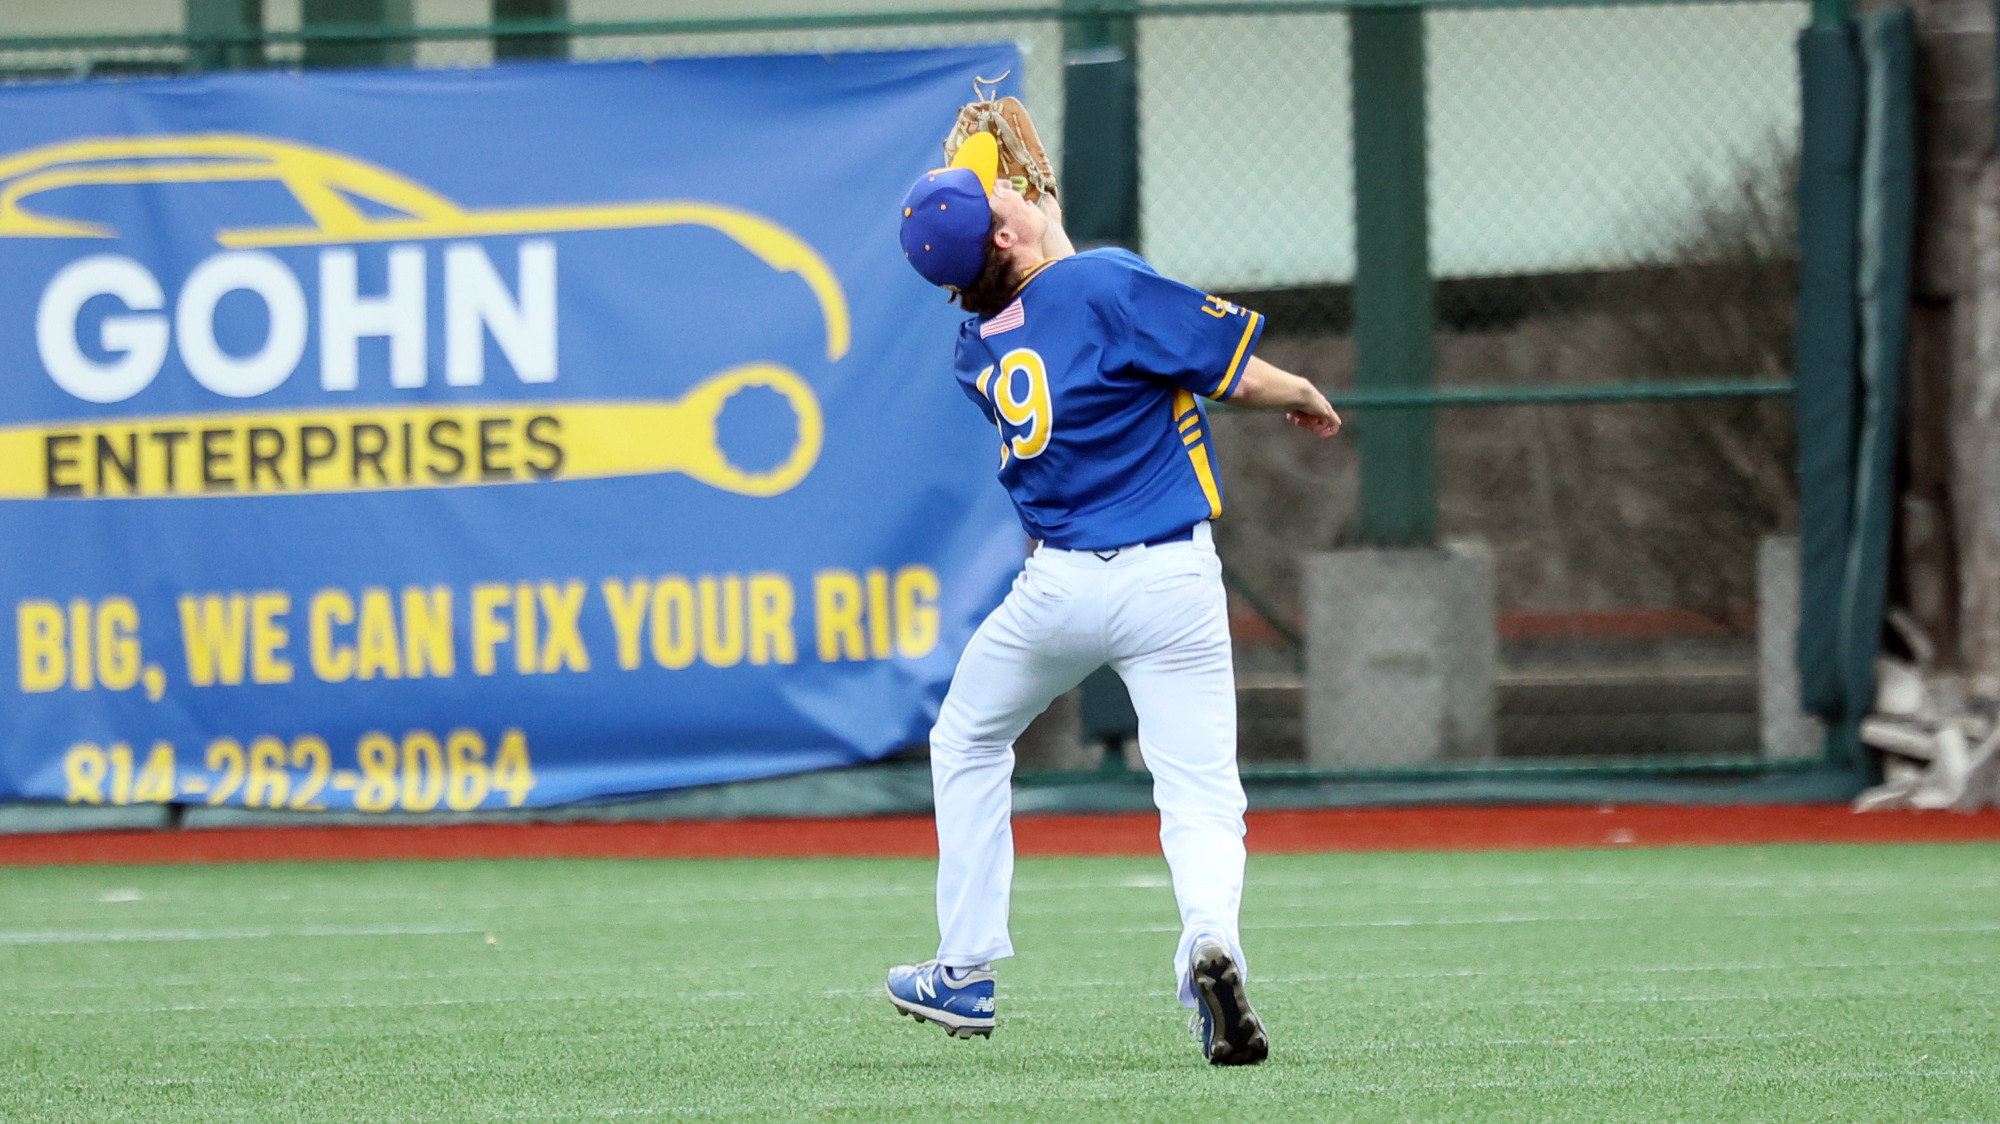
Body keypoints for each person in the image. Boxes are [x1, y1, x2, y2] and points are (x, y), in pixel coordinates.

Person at [885, 133, 1340, 1066]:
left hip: (1057, 589)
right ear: (1003, 244)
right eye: (997, 204)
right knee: (1201, 792)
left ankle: (966, 970)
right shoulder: (1104, 280)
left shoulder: (972, 348)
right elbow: (1228, 369)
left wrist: (1025, 226)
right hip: (1168, 579)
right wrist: (1299, 389)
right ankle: (1209, 940)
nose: (1009, 194)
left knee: (966, 738)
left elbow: (1040, 300)